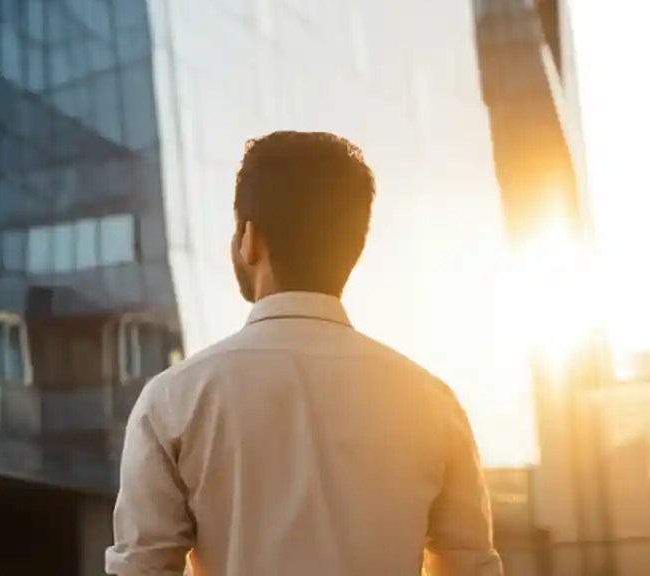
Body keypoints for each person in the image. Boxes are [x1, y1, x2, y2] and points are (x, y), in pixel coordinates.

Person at [106, 132, 502, 576]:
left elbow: (141, 569)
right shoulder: (433, 403)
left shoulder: (173, 400)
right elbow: (469, 567)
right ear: (352, 249)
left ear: (249, 239)